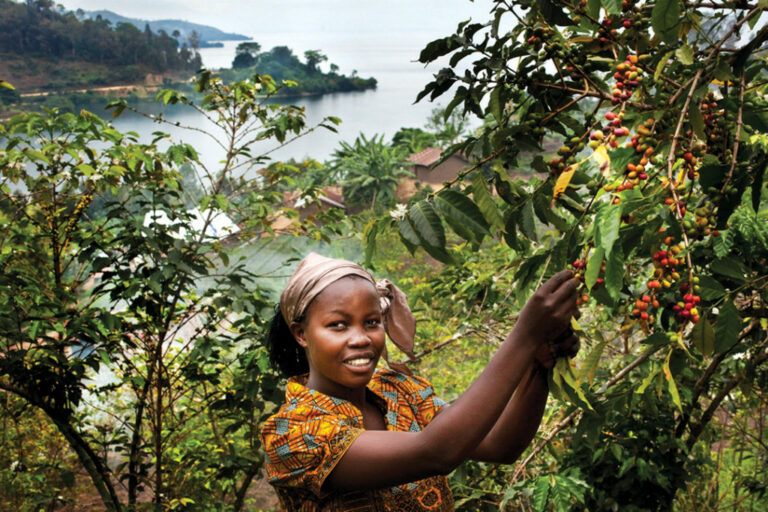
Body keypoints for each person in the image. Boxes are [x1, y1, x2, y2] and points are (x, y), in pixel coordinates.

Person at [260, 252, 580, 511]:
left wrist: (539, 362)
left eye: (371, 322)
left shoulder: (398, 389)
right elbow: (437, 452)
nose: (361, 338)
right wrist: (525, 335)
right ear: (301, 333)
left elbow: (501, 444)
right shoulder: (293, 435)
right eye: (338, 325)